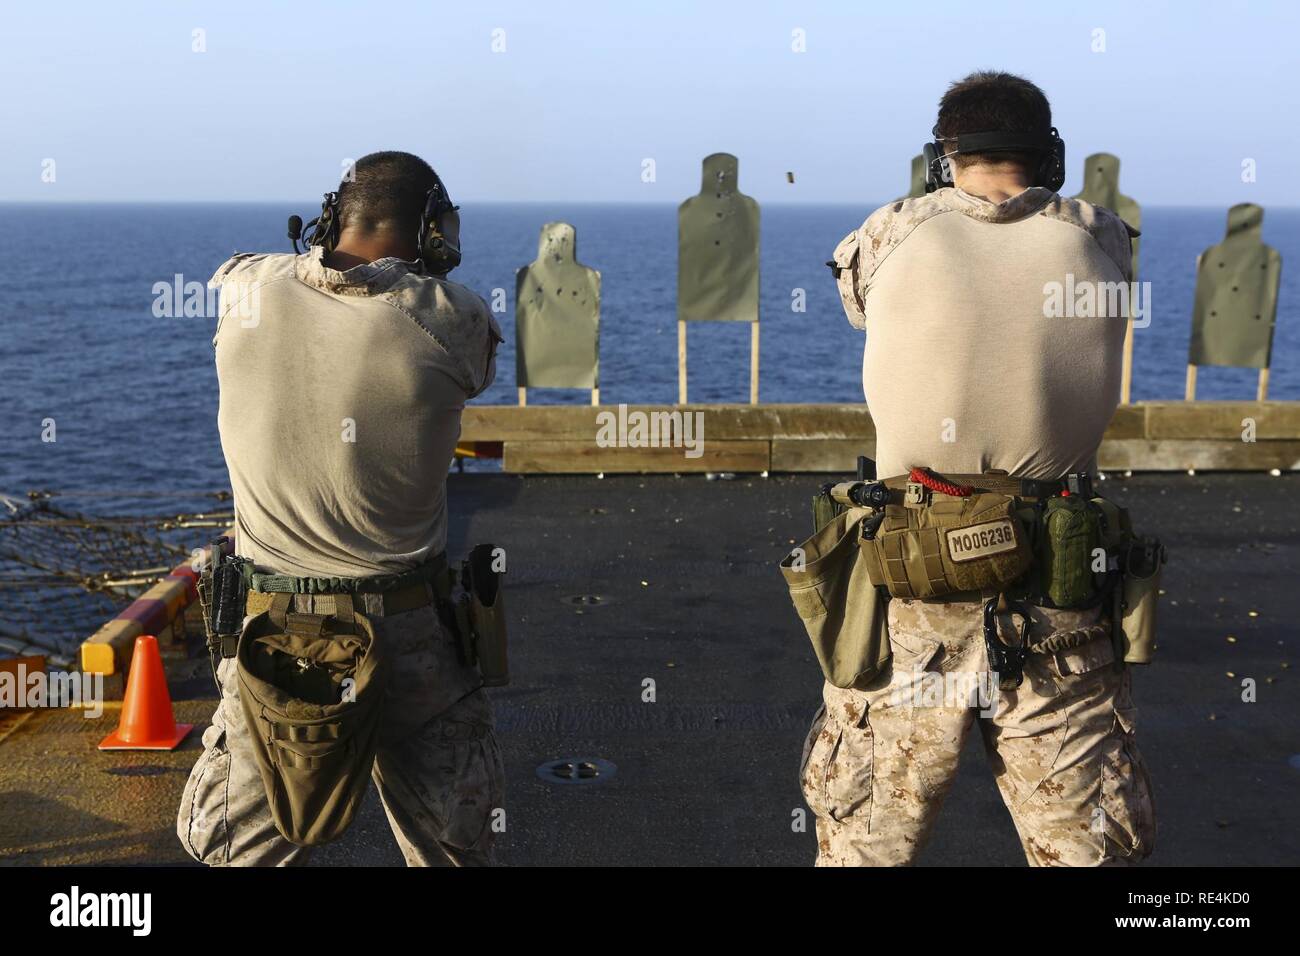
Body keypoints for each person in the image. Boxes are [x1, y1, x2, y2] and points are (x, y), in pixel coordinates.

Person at [804, 72, 1155, 866]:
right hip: (1057, 591)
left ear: (943, 156)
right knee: (1086, 847)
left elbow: (861, 304)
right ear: (1050, 156)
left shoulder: (888, 233)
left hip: (912, 588)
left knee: (866, 844)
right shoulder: (1103, 239)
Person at [177, 151, 505, 866]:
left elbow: (263, 269)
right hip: (409, 629)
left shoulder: (244, 290)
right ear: (425, 230)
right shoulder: (452, 319)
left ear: (333, 216)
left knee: (229, 850)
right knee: (452, 848)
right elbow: (468, 359)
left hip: (273, 634)